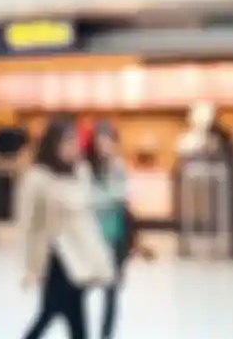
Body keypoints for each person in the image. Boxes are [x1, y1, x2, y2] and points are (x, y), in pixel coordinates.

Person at [20, 118, 115, 339]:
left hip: (79, 259)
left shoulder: (80, 172)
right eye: (67, 142)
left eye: (75, 142)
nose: (73, 148)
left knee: (69, 316)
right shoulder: (37, 178)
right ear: (53, 145)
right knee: (53, 313)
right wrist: (30, 268)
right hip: (56, 260)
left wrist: (101, 260)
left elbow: (87, 220)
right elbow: (29, 227)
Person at [85, 120, 149, 339]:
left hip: (115, 237)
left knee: (111, 292)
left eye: (108, 140)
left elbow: (121, 195)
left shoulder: (118, 166)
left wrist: (104, 197)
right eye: (100, 140)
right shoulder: (86, 167)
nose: (104, 145)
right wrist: (108, 197)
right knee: (80, 289)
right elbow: (88, 198)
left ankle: (106, 334)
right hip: (91, 238)